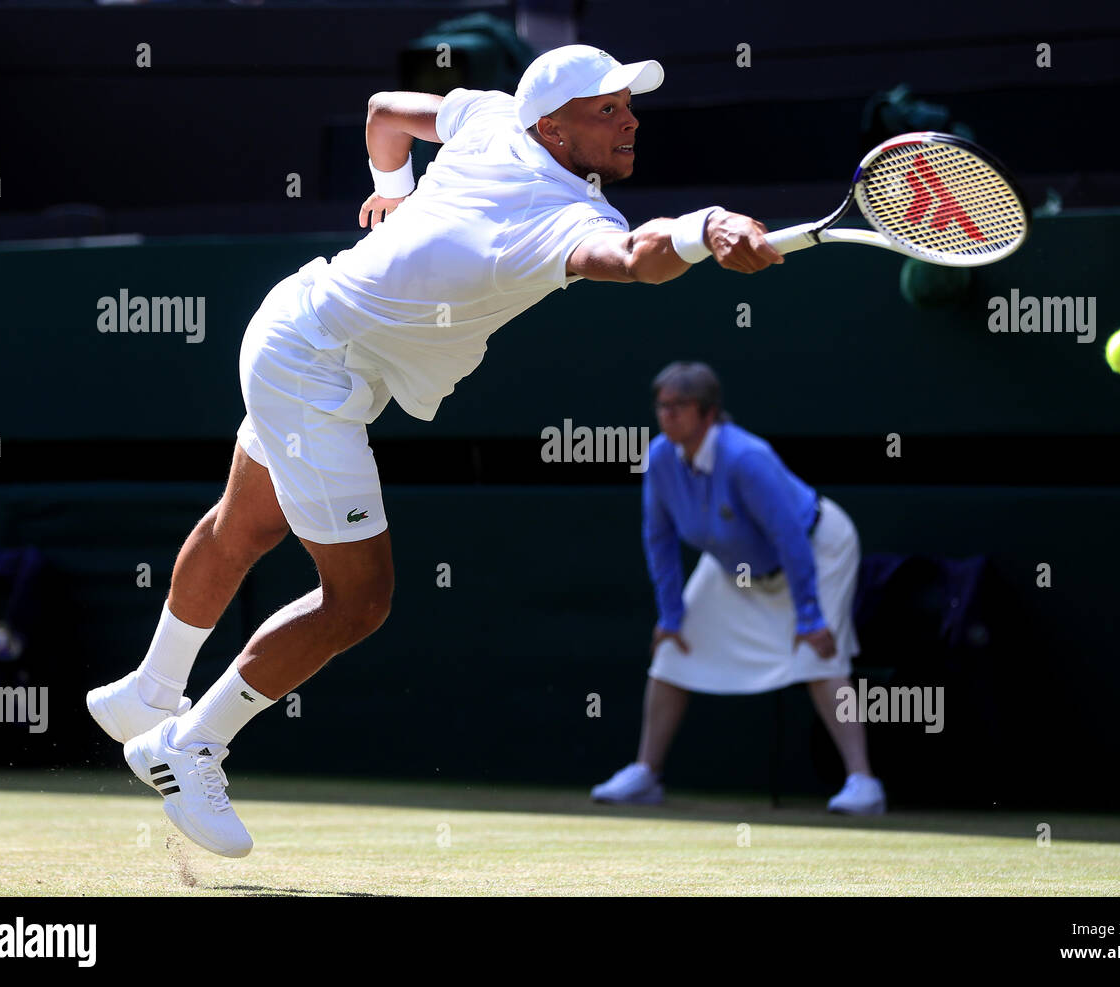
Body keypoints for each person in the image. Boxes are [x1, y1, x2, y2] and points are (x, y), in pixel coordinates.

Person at [84, 45, 785, 857]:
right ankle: (189, 745)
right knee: (360, 597)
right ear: (552, 128)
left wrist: (392, 196)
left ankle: (150, 688)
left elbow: (384, 113)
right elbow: (633, 259)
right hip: (318, 369)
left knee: (246, 523)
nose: (630, 120)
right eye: (608, 109)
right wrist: (707, 227)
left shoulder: (490, 115)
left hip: (294, 318)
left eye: (629, 104)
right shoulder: (565, 216)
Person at [591, 362, 886, 814]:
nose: (666, 415)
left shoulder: (746, 458)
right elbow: (660, 540)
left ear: (708, 414)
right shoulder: (660, 459)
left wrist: (809, 615)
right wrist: (670, 615)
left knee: (820, 654)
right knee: (673, 646)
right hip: (734, 565)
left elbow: (790, 537)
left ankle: (863, 781)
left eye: (678, 406)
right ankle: (647, 774)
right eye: (661, 406)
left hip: (816, 549)